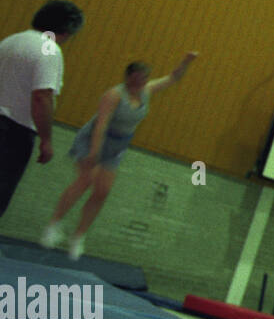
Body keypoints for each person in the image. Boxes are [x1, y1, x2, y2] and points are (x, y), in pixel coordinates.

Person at [40, 53, 197, 259]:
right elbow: (101, 124)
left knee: (102, 191)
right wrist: (94, 153)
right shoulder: (114, 95)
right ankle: (54, 225)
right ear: (129, 77)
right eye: (139, 77)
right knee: (85, 181)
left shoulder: (147, 91)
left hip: (118, 144)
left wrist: (185, 61)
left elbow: (173, 78)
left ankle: (78, 236)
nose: (143, 81)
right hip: (95, 139)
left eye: (145, 77)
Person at [0, 0, 84, 218]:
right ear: (67, 31)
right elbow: (42, 97)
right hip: (11, 133)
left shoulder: (11, 41)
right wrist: (46, 139)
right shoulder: (49, 49)